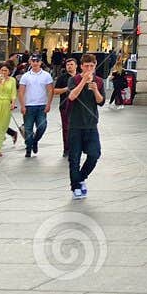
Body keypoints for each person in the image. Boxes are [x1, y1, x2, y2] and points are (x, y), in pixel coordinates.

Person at [66, 53, 105, 199]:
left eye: (92, 66)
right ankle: (75, 187)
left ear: (95, 66)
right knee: (74, 158)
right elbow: (71, 97)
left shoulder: (99, 81)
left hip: (91, 124)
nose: (89, 69)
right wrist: (83, 82)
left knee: (95, 154)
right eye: (86, 66)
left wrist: (95, 89)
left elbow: (101, 102)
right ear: (81, 66)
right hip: (75, 125)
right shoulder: (73, 79)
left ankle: (81, 178)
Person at [16, 54, 55, 158]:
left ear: (40, 62)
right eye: (33, 61)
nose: (35, 63)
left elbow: (50, 90)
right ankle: (28, 148)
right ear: (30, 62)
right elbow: (21, 92)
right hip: (29, 106)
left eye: (37, 61)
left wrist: (48, 104)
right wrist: (22, 105)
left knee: (42, 126)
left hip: (41, 106)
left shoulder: (46, 75)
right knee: (28, 129)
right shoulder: (26, 76)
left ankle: (35, 141)